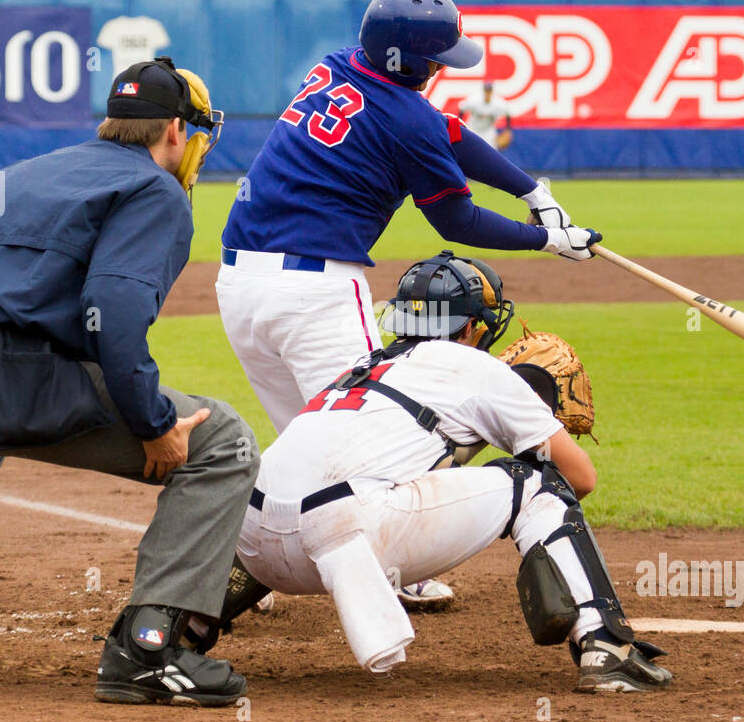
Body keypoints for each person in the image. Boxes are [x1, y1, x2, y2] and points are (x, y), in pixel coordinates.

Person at [0, 57, 257, 708]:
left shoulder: (29, 171)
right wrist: (153, 424)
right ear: (174, 129)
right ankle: (149, 648)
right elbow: (112, 315)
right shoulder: (155, 191)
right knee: (222, 442)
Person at [216, 0, 600, 609]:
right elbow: (457, 222)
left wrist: (532, 190)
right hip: (316, 291)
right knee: (379, 430)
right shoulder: (406, 116)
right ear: (412, 63)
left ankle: (250, 559)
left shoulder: (339, 64)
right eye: (437, 59)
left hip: (239, 283)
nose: (442, 68)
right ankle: (397, 563)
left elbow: (447, 132)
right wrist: (546, 240)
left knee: (303, 437)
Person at [224, 252, 672, 692]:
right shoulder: (477, 366)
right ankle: (605, 646)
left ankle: (186, 627)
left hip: (254, 544)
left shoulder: (361, 366)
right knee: (540, 484)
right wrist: (531, 420)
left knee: (291, 493)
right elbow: (580, 477)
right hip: (342, 543)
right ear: (472, 327)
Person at [456, 81, 512, 151]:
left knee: (491, 152)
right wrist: (459, 126)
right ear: (483, 91)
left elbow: (508, 114)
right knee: (470, 151)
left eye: (489, 91)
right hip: (473, 130)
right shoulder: (474, 100)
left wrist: (507, 130)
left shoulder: (498, 103)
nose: (487, 93)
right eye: (486, 90)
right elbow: (462, 109)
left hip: (488, 132)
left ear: (492, 91)